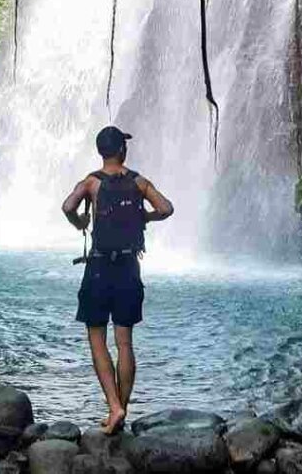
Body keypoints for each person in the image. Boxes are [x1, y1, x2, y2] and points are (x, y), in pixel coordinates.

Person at [61, 125, 174, 434]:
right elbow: (166, 208)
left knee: (97, 337)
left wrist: (80, 222)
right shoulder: (139, 182)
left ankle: (114, 407)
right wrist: (145, 217)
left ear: (101, 151)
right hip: (128, 267)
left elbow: (68, 206)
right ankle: (121, 408)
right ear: (122, 150)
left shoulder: (91, 183)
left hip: (98, 267)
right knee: (125, 343)